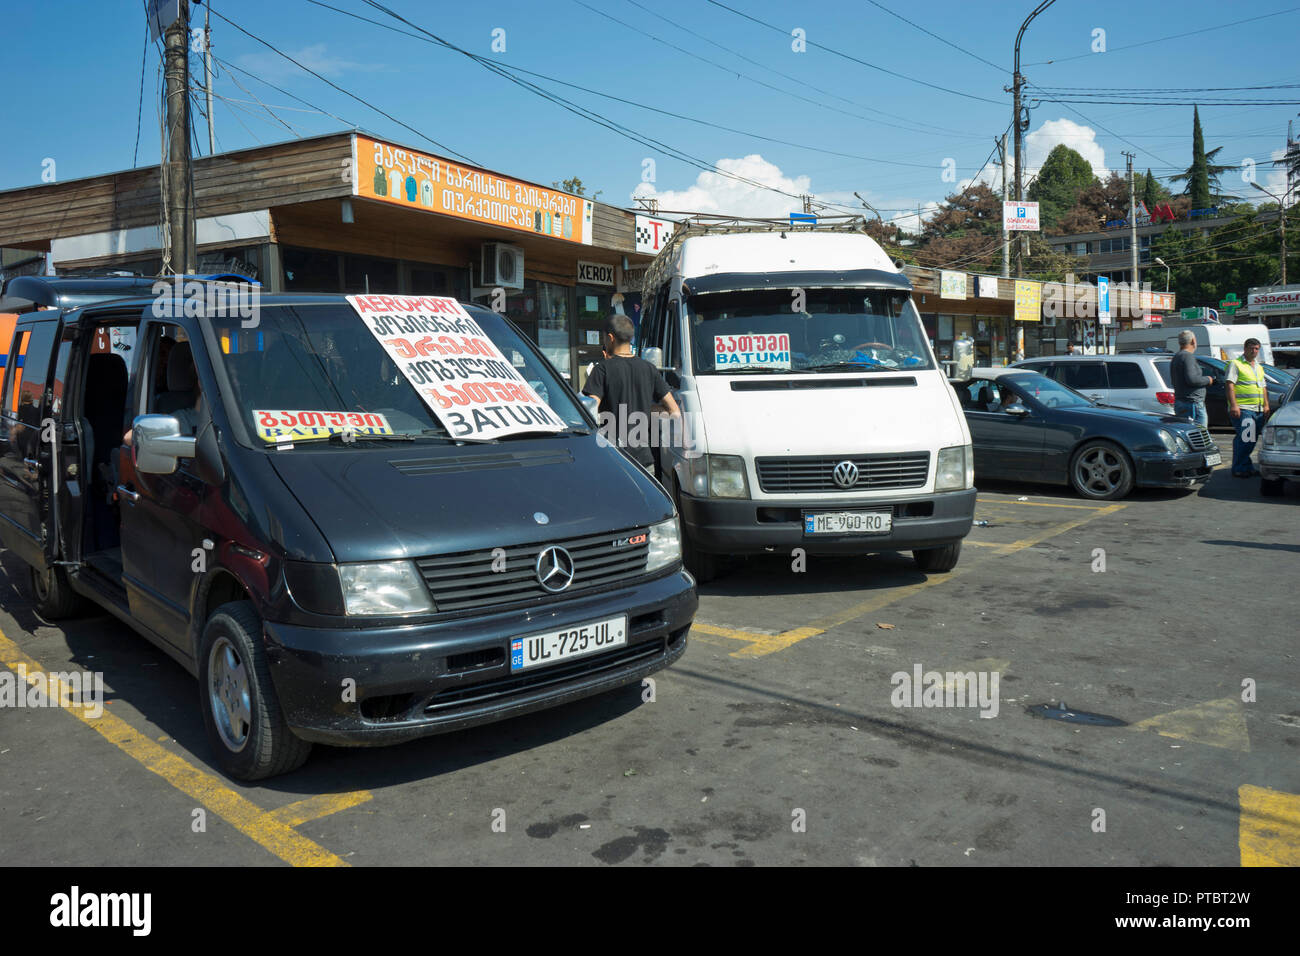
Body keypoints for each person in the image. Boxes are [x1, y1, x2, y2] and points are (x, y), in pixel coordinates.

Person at [582, 314, 681, 474]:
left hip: (613, 459)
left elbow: (588, 410)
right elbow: (674, 411)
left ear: (610, 337)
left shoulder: (602, 369)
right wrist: (643, 409)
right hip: (645, 461)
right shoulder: (649, 369)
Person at [1225, 337, 1270, 478]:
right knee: (1246, 439)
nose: (1254, 351)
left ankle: (1246, 466)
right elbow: (1229, 385)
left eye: (1257, 349)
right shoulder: (1236, 364)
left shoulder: (1258, 367)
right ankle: (1239, 467)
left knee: (1251, 440)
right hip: (1244, 408)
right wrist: (1234, 405)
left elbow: (1263, 388)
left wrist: (1266, 405)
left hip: (1257, 409)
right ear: (1245, 349)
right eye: (1251, 348)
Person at [1169, 330, 1213, 428]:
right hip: (1192, 404)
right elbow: (1192, 379)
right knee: (1199, 436)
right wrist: (1208, 379)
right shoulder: (1187, 356)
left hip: (1182, 402)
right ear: (1193, 341)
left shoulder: (1177, 356)